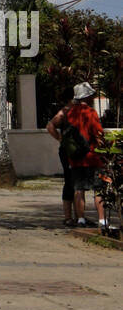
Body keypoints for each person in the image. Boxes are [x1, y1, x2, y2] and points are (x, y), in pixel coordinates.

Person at [47, 82, 107, 230]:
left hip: (74, 157)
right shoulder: (90, 112)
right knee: (98, 189)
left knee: (78, 189)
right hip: (91, 155)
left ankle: (80, 219)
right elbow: (98, 133)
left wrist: (61, 140)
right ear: (87, 97)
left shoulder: (69, 112)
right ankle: (102, 220)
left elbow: (52, 126)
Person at [46, 93, 75, 226]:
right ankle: (68, 216)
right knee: (70, 181)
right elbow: (50, 126)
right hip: (67, 151)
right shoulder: (64, 112)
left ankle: (80, 216)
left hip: (79, 151)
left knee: (78, 184)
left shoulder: (82, 111)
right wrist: (60, 138)